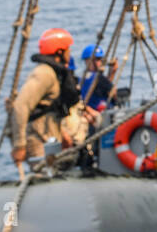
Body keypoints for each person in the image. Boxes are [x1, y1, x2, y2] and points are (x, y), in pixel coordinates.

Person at [9, 28, 95, 177]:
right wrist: (19, 145)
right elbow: (21, 106)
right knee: (43, 177)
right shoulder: (44, 73)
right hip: (38, 140)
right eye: (67, 49)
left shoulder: (54, 73)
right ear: (60, 51)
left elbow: (52, 108)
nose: (69, 53)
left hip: (50, 138)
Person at [79, 44, 120, 115]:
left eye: (100, 59)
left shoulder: (81, 78)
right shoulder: (99, 78)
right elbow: (113, 94)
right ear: (88, 61)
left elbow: (103, 87)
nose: (100, 62)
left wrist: (112, 73)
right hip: (101, 115)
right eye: (97, 59)